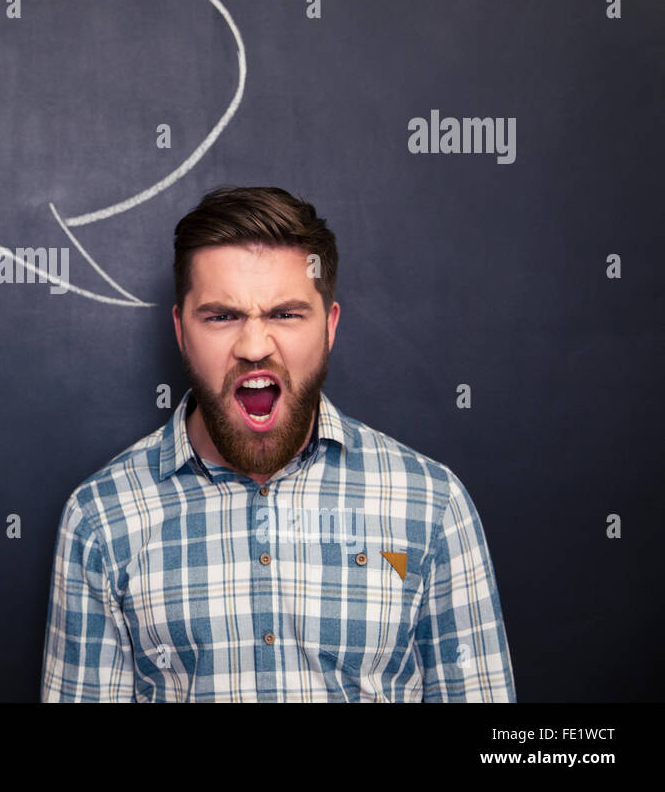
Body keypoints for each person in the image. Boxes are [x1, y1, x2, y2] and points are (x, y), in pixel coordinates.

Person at [40, 186, 515, 702]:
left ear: (329, 327)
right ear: (181, 331)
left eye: (286, 314)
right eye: (222, 316)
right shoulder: (101, 518)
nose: (254, 346)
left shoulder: (431, 504)